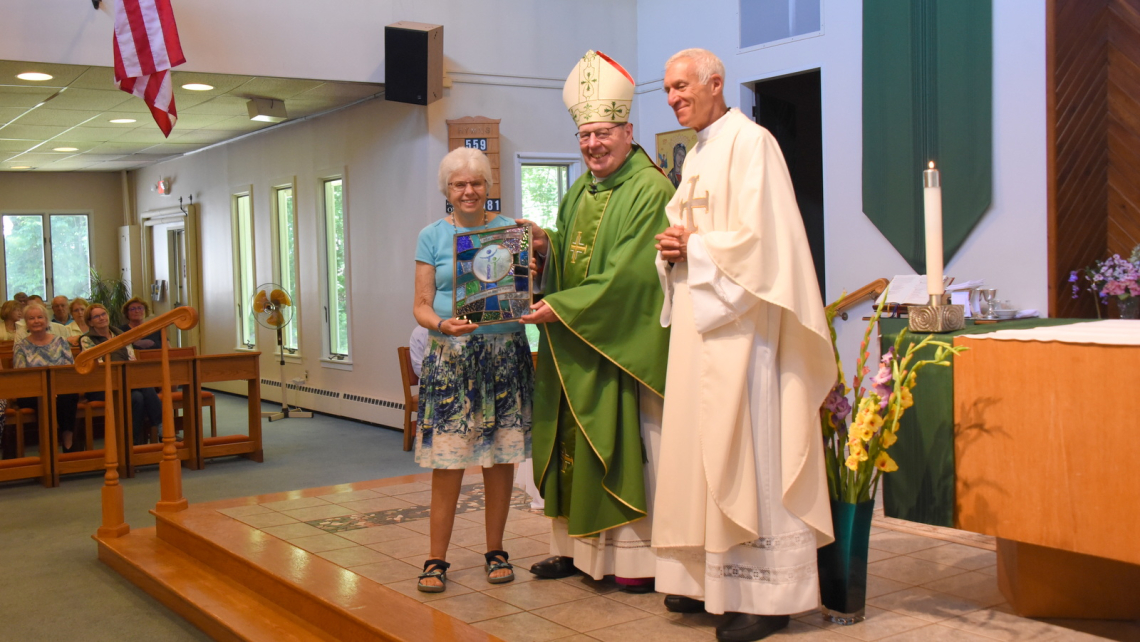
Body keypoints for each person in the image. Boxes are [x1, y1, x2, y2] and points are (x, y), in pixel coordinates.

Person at [652, 49, 836, 642]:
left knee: (748, 450)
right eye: (668, 90)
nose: (675, 98)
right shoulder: (701, 151)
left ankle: (768, 592)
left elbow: (763, 244)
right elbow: (687, 227)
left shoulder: (752, 143)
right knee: (703, 449)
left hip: (744, 332)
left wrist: (696, 251)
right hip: (702, 328)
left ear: (715, 82)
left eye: (682, 87)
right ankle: (715, 581)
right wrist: (673, 248)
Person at [519, 50, 673, 592]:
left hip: (617, 346)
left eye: (603, 133)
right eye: (585, 136)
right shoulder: (577, 191)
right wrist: (544, 244)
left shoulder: (650, 190)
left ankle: (627, 561)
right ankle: (575, 553)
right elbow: (572, 253)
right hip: (575, 343)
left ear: (629, 130)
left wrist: (561, 306)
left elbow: (631, 275)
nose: (592, 146)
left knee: (610, 441)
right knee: (568, 442)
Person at [411, 146, 533, 593]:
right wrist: (442, 324)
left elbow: (524, 289)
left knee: (499, 459)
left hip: (504, 355)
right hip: (452, 359)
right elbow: (420, 304)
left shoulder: (511, 232)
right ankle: (435, 559)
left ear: (488, 188)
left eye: (476, 183)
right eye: (459, 184)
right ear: (447, 190)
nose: (468, 191)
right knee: (448, 462)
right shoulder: (431, 236)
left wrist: (528, 277)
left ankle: (496, 551)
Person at [80, 304, 164, 446]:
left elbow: (131, 358)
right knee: (144, 388)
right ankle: (163, 428)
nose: (101, 318)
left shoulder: (121, 335)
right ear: (90, 322)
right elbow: (98, 364)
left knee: (137, 397)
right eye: (96, 316)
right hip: (101, 386)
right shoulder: (86, 339)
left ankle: (132, 443)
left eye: (103, 314)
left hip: (125, 381)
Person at [12, 302, 81, 452]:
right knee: (45, 399)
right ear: (26, 323)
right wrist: (46, 390)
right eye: (31, 318)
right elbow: (21, 376)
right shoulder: (21, 346)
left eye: (40, 317)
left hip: (60, 388)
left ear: (46, 320)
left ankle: (68, 438)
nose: (36, 321)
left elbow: (69, 369)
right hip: (32, 392)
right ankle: (47, 444)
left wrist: (55, 389)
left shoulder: (60, 341)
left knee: (68, 396)